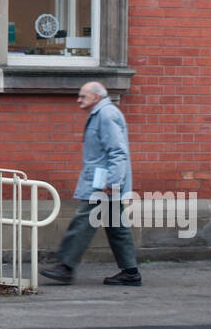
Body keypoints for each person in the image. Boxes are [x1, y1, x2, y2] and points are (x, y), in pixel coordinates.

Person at [39, 81, 141, 287]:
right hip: (105, 182)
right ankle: (130, 273)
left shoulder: (106, 115)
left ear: (96, 97)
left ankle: (66, 267)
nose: (79, 100)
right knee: (116, 227)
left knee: (83, 221)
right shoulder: (102, 114)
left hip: (103, 185)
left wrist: (112, 183)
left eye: (83, 96)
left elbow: (118, 152)